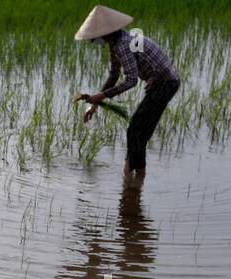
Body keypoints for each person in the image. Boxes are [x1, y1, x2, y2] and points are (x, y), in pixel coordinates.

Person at [74, 5, 181, 177]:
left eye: (94, 37)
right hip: (157, 81)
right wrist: (94, 105)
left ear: (105, 33)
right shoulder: (116, 43)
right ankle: (131, 175)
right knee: (138, 131)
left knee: (136, 131)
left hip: (166, 83)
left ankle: (137, 178)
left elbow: (131, 81)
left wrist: (101, 96)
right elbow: (114, 75)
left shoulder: (123, 44)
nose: (93, 41)